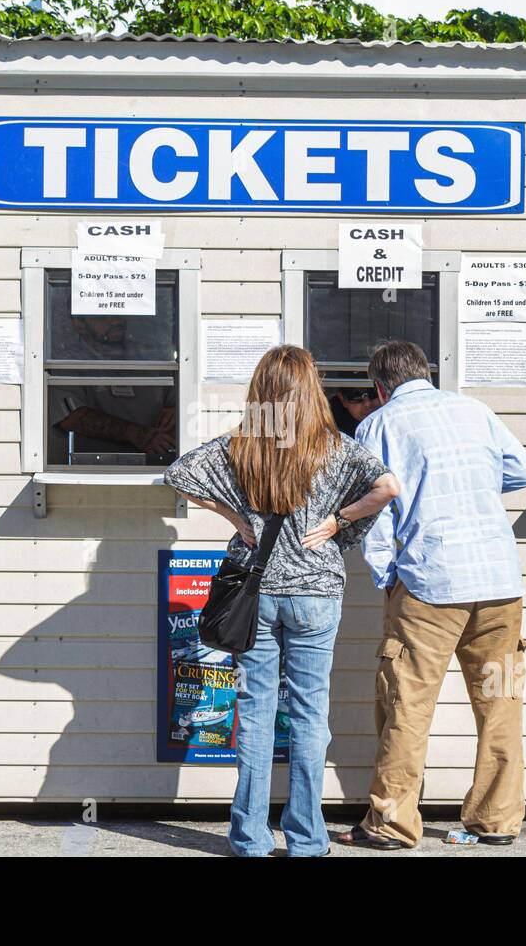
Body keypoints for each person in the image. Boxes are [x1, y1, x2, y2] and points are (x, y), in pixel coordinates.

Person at [163, 345, 400, 858]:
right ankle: (308, 837)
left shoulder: (242, 446)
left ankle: (248, 837)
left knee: (255, 710)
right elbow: (388, 487)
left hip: (256, 594)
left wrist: (238, 520)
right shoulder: (334, 446)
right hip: (316, 594)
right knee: (312, 713)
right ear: (312, 389)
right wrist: (339, 522)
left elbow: (178, 473)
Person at [335, 339, 526, 851]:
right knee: (499, 704)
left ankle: (392, 825)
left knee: (406, 704)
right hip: (499, 581)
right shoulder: (475, 410)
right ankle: (497, 821)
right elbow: (519, 472)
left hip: (430, 583)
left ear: (380, 386)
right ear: (426, 371)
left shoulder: (378, 425)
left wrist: (387, 577)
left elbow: (375, 508)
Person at [49, 316, 177, 464]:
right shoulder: (66, 362)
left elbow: (182, 398)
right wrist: (134, 433)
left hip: (158, 466)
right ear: (79, 323)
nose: (117, 320)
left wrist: (175, 411)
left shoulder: (150, 355)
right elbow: (70, 418)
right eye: (103, 316)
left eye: (120, 312)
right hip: (94, 468)